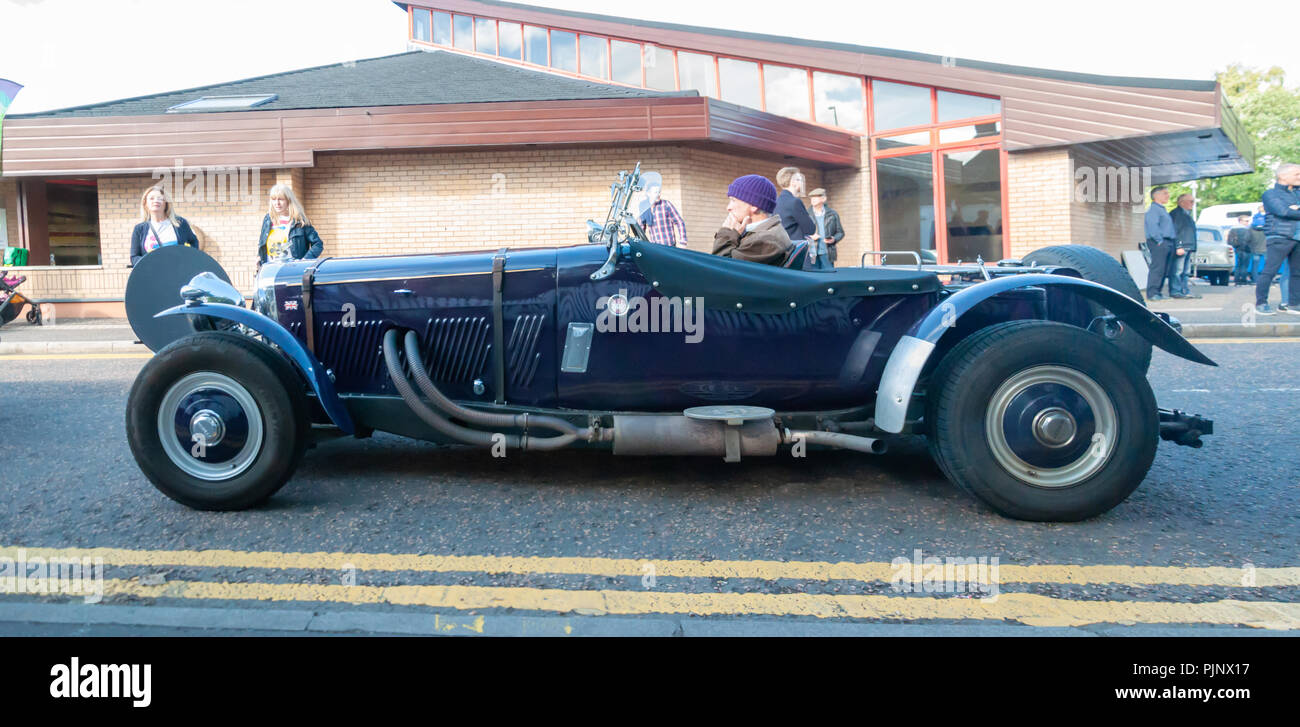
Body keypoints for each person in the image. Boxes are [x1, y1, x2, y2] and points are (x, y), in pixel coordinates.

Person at [712, 174, 792, 266]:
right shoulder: (760, 233)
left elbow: (720, 268)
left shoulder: (767, 240)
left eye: (733, 200)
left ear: (754, 205)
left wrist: (726, 233)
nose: (728, 207)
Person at [1254, 163, 1300, 315]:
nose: (1299, 177)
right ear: (1283, 176)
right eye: (1297, 174)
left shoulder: (1296, 193)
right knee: (1269, 271)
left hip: (1297, 237)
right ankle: (1261, 304)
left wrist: (1295, 208)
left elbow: (1288, 211)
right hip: (1279, 237)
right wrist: (1291, 209)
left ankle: (1293, 304)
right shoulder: (1270, 194)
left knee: (1297, 272)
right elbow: (1283, 212)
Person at [129, 185, 199, 267]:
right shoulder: (139, 229)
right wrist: (150, 262)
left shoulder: (180, 223)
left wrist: (186, 258)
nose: (156, 201)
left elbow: (194, 242)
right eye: (151, 198)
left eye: (160, 198)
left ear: (166, 203)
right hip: (153, 274)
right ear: (145, 203)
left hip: (178, 272)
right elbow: (134, 257)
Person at [258, 184, 323, 265]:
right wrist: (258, 259)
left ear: (289, 200)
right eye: (274, 199)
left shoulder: (299, 221)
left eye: (281, 199)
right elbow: (262, 243)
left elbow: (318, 244)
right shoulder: (268, 219)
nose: (277, 203)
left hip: (292, 271)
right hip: (270, 269)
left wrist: (305, 261)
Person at [1143, 187, 1177, 301]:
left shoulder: (1162, 209)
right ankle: (1152, 293)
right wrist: (1159, 241)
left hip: (1167, 242)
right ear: (1156, 196)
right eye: (1165, 193)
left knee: (1163, 269)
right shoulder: (1154, 209)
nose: (1168, 196)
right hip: (1159, 242)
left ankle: (1158, 292)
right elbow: (1152, 226)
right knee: (1157, 268)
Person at [636, 172, 687, 247]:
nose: (659, 194)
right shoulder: (644, 207)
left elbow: (679, 222)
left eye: (659, 192)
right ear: (648, 193)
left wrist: (683, 242)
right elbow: (641, 228)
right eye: (656, 192)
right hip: (656, 249)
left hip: (669, 247)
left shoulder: (666, 205)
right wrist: (638, 243)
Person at [774, 167, 817, 248]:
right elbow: (810, 229)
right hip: (795, 250)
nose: (802, 183)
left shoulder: (776, 202)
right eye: (800, 180)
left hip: (780, 248)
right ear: (793, 182)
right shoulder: (795, 202)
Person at [1167, 193, 1200, 298]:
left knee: (1185, 272)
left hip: (1188, 246)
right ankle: (1176, 291)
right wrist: (1178, 246)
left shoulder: (1187, 214)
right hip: (1182, 246)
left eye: (1193, 201)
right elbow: (1174, 231)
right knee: (1178, 270)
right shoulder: (1176, 214)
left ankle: (1185, 290)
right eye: (1190, 201)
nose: (1193, 204)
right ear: (1182, 202)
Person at [806, 188, 844, 266]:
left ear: (823, 199)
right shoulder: (806, 215)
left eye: (815, 197)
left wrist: (834, 239)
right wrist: (809, 237)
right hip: (811, 253)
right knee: (813, 277)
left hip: (827, 253)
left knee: (828, 276)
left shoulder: (833, 214)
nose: (812, 199)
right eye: (811, 197)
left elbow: (840, 232)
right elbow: (800, 232)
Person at [1228, 214, 1254, 285]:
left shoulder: (1232, 229)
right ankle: (1243, 279)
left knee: (1238, 265)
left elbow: (1229, 240)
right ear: (1241, 221)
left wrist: (1235, 246)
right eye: (1246, 221)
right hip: (1246, 249)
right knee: (1244, 265)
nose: (1247, 222)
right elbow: (1250, 240)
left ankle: (1236, 280)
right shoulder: (1247, 229)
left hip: (1237, 249)